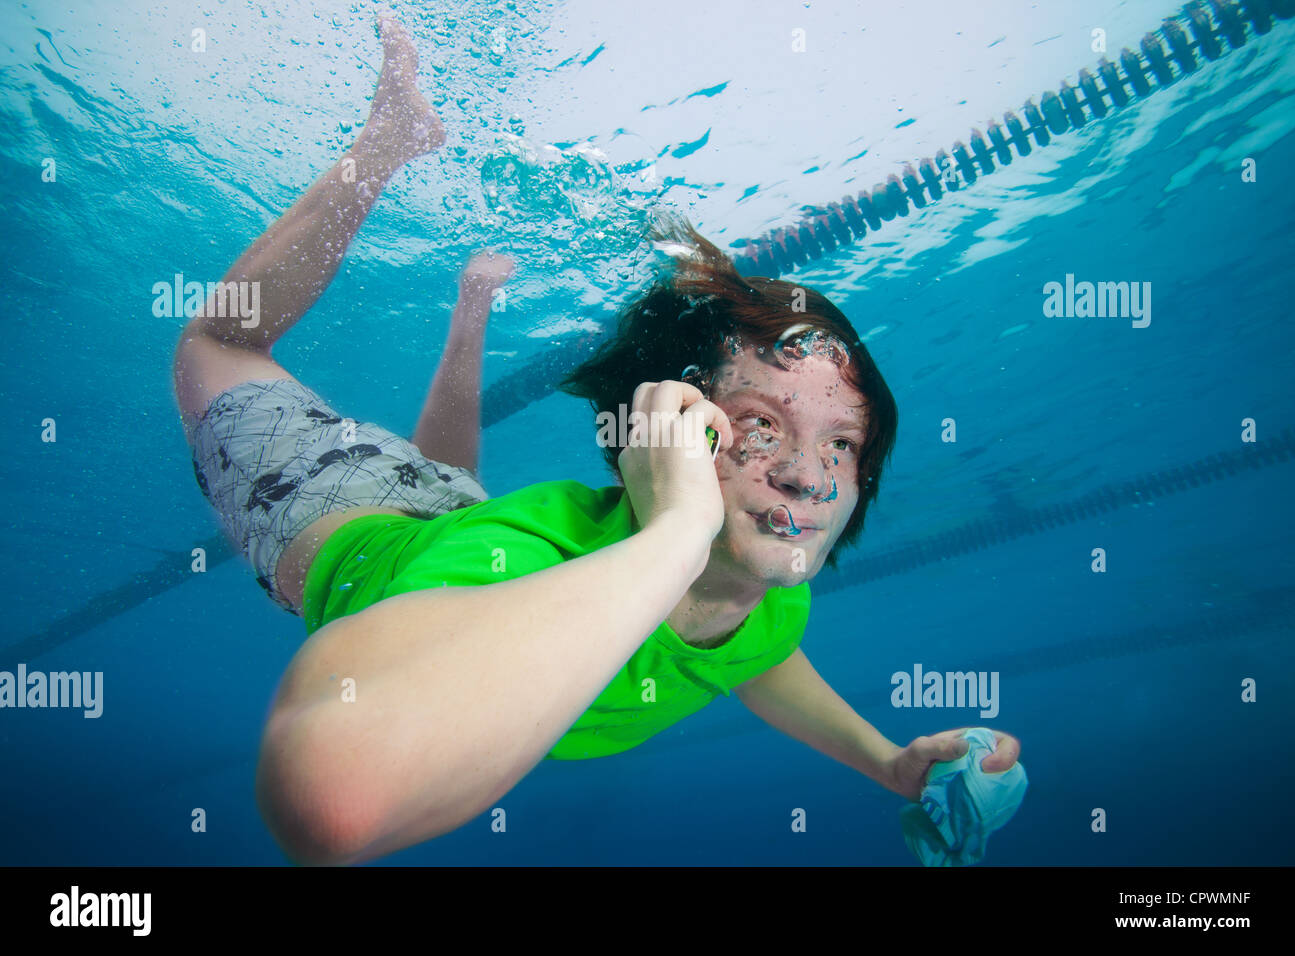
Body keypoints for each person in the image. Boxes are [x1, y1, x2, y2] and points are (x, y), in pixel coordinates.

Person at [172, 15, 1022, 866]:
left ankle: (470, 310)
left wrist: (886, 763)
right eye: (760, 427)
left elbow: (755, 656)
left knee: (451, 482)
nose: (807, 478)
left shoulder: (768, 586)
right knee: (218, 346)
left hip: (453, 520)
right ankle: (387, 142)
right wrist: (679, 533)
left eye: (843, 445)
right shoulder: (535, 549)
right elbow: (330, 806)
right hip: (327, 508)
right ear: (665, 434)